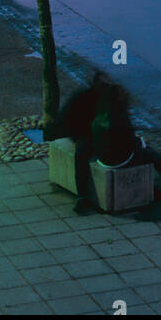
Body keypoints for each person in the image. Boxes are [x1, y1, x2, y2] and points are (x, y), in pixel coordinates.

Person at [91, 82, 161, 193]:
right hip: (117, 160)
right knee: (148, 153)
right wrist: (141, 142)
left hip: (103, 157)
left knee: (148, 151)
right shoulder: (120, 118)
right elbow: (130, 142)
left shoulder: (101, 115)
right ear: (118, 99)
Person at [44, 71, 111, 216]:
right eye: (103, 85)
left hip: (101, 134)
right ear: (95, 84)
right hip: (85, 134)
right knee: (81, 155)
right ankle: (83, 196)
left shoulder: (108, 98)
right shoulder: (83, 98)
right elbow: (67, 117)